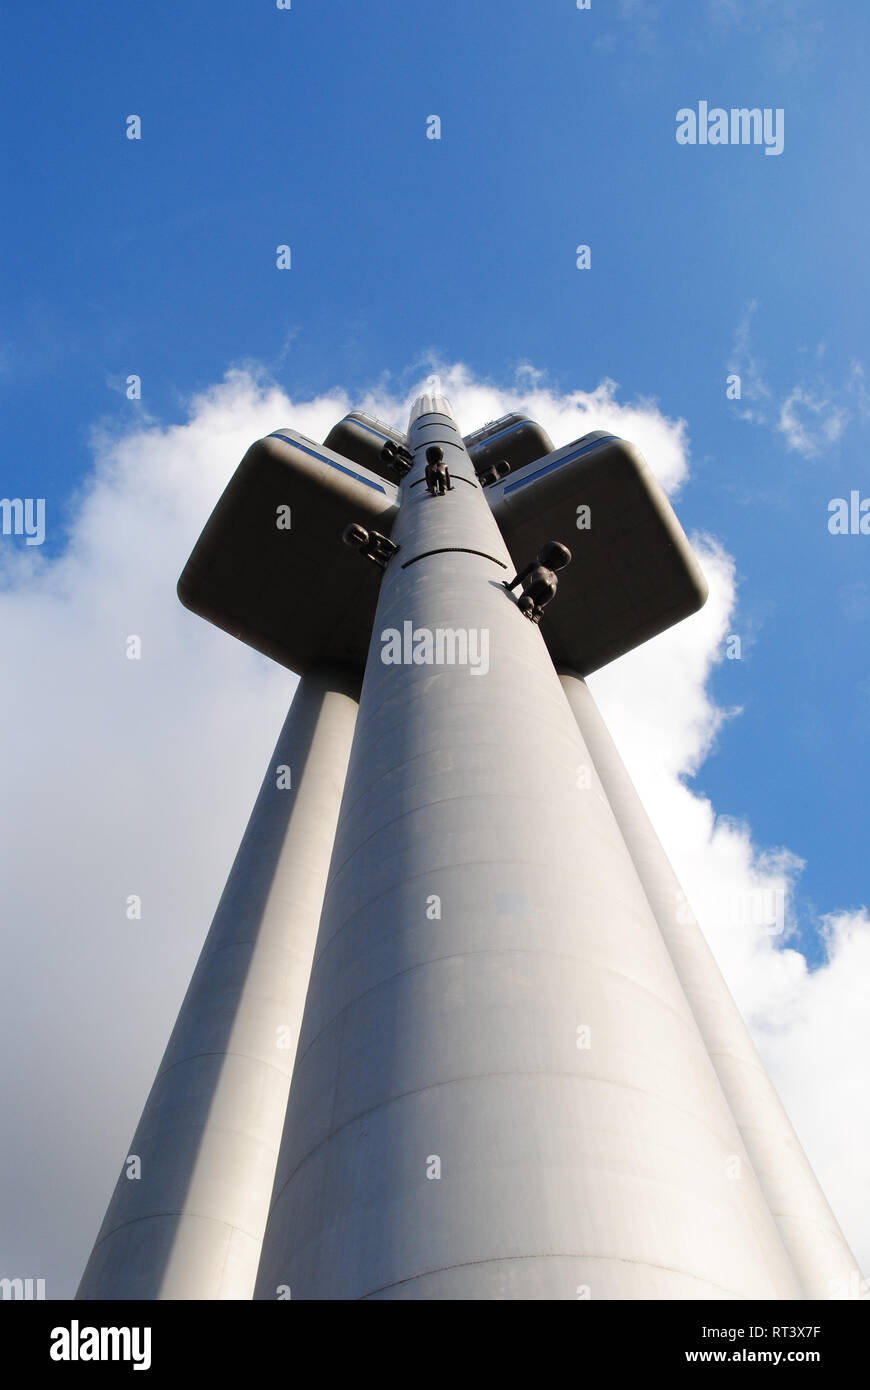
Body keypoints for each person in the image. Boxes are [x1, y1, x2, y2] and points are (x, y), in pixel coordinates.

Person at [502, 541, 572, 623]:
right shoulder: (555, 577)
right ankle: (538, 610)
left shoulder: (536, 564)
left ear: (544, 554)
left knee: (525, 598)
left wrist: (510, 586)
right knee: (538, 604)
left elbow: (522, 575)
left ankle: (529, 605)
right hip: (553, 588)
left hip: (541, 582)